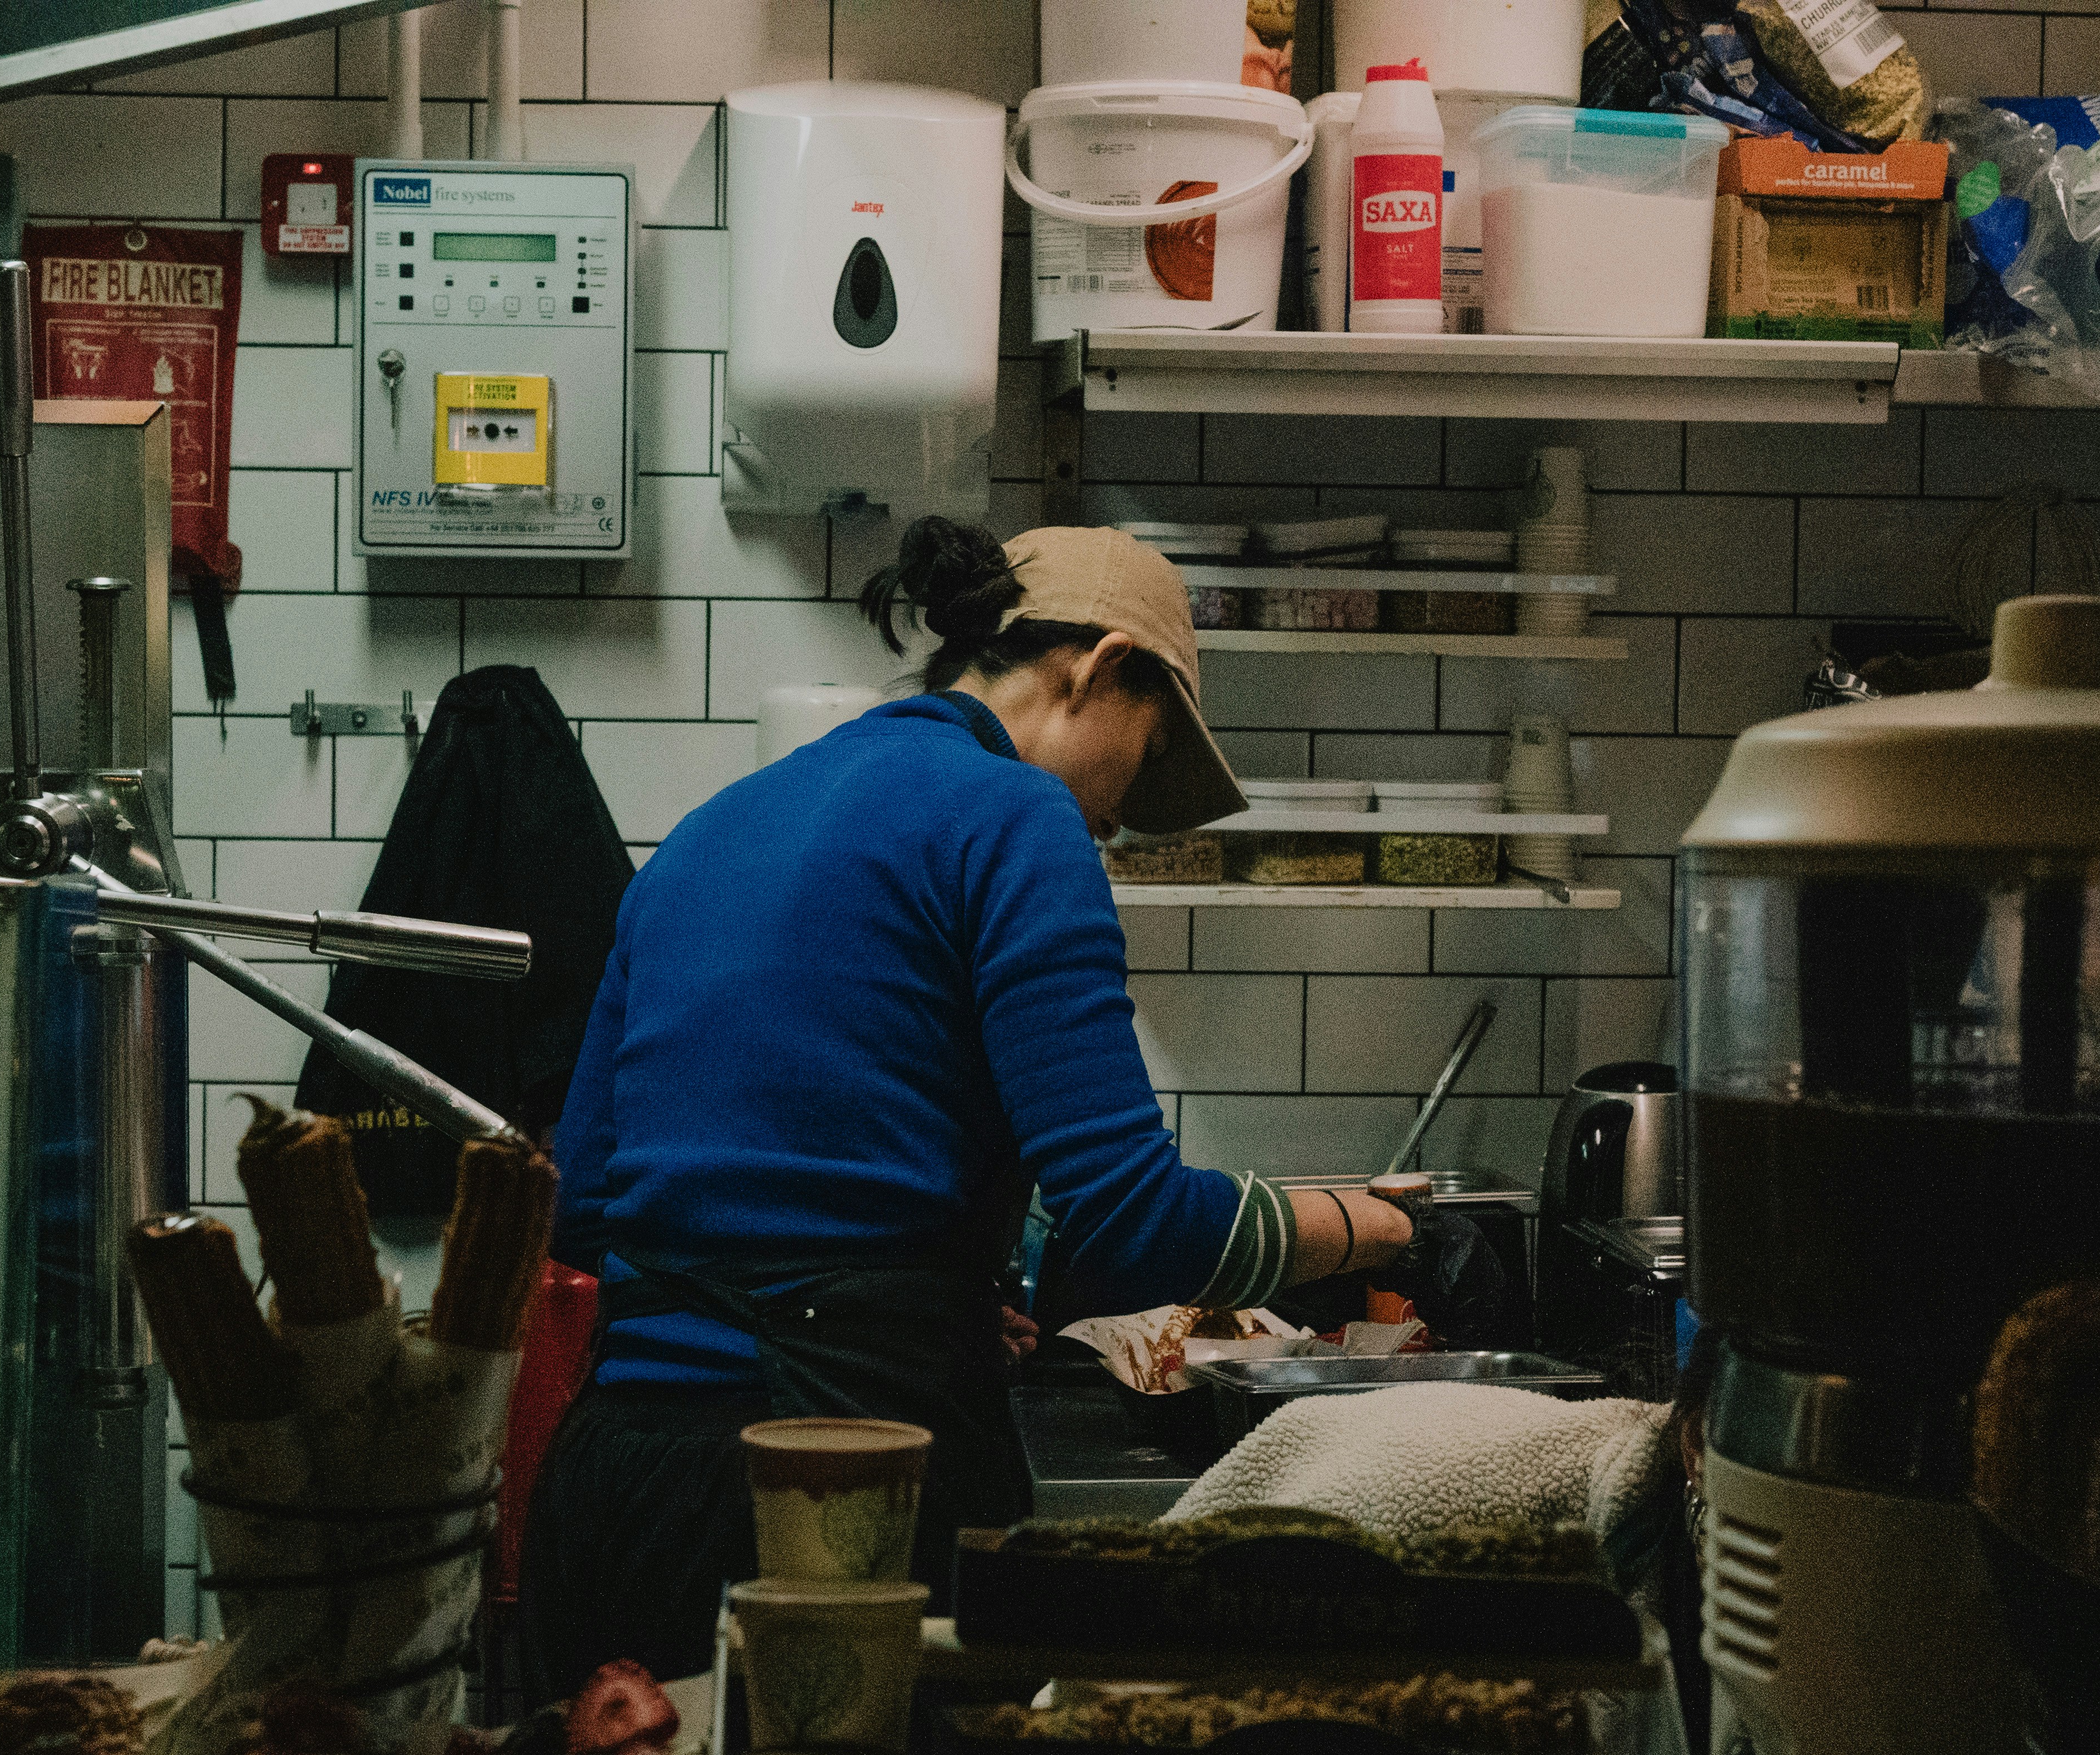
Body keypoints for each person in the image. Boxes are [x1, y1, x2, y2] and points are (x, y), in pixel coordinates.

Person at [520, 518, 1431, 1690]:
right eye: (1147, 754)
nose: (1119, 815)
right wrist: (1379, 1224)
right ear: (1098, 667)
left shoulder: (710, 828)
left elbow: (586, 1205)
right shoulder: (1015, 815)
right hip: (831, 1496)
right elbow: (1134, 1221)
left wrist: (912, 1297)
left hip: (614, 1484)